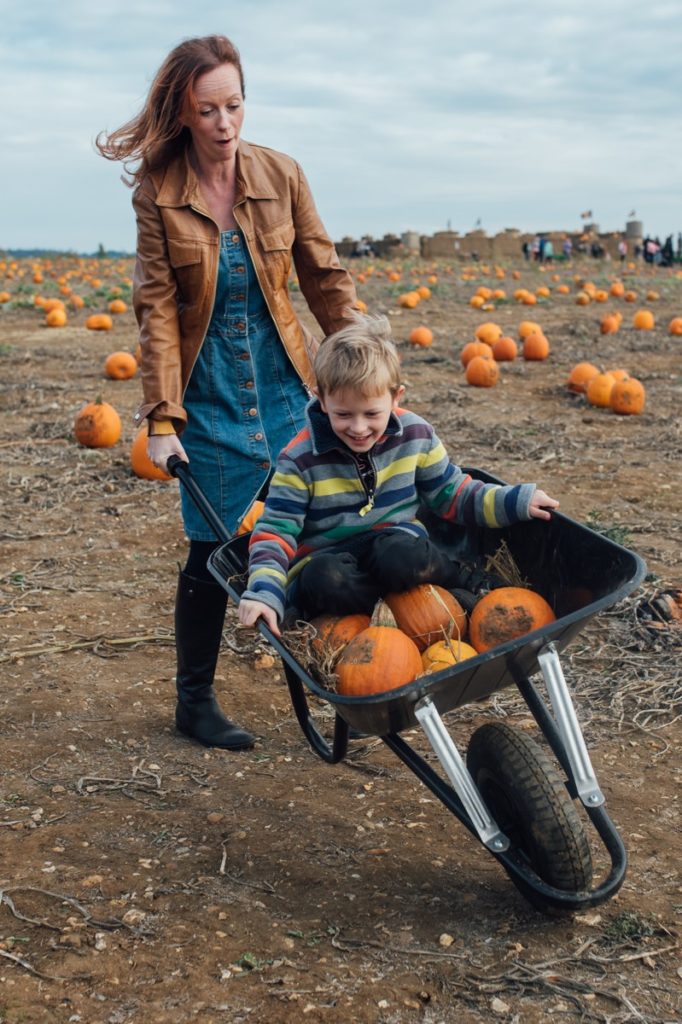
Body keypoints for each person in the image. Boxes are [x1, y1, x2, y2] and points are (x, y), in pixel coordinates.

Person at [96, 35, 358, 750]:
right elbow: (156, 307)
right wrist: (160, 415)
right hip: (207, 395)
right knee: (212, 552)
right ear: (182, 111)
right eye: (207, 109)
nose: (223, 123)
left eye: (234, 105)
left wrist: (366, 365)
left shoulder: (282, 173)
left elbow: (324, 278)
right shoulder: (159, 190)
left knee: (323, 530)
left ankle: (350, 675)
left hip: (285, 383)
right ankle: (195, 703)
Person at [238, 313, 559, 637]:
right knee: (324, 579)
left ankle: (462, 582)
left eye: (372, 414)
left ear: (396, 397)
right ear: (321, 401)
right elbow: (275, 533)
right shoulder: (299, 459)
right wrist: (265, 592)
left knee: (403, 555)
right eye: (343, 414)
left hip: (392, 544)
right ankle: (387, 614)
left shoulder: (416, 435)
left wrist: (515, 500)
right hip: (326, 558)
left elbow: (454, 493)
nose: (359, 428)